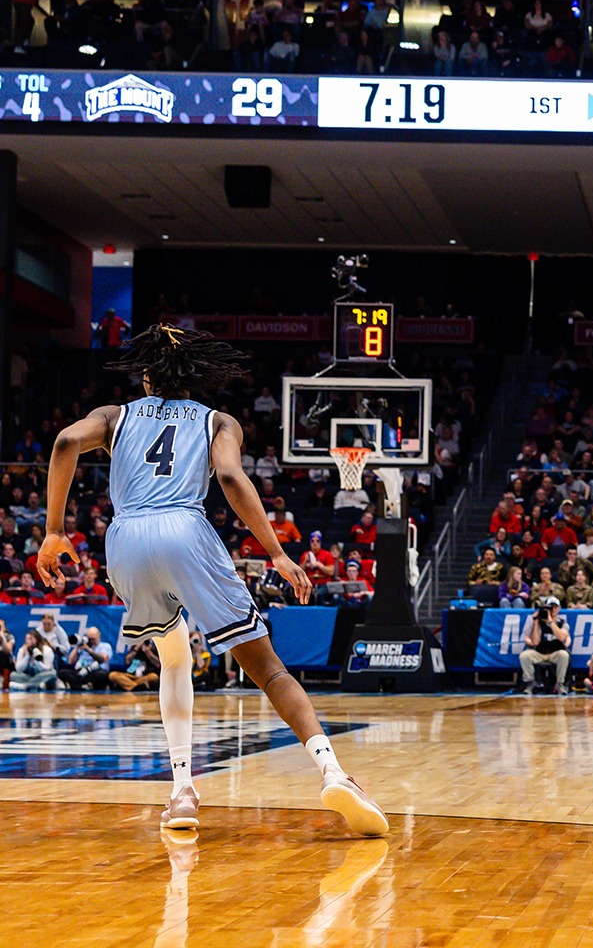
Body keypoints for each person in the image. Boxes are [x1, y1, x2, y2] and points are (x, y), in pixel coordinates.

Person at [37, 325, 386, 835]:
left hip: (126, 538)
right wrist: (278, 554)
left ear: (148, 376)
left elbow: (67, 440)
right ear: (196, 378)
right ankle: (334, 772)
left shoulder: (116, 415)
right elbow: (228, 478)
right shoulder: (218, 420)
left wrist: (52, 531)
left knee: (174, 657)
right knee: (267, 669)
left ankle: (182, 792)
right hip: (185, 527)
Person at [519, 596, 571, 693]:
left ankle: (560, 684)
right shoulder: (538, 622)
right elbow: (535, 642)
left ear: (559, 608)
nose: (553, 610)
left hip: (554, 653)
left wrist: (551, 622)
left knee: (564, 655)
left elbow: (562, 637)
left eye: (555, 607)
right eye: (551, 607)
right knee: (524, 656)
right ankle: (531, 682)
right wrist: (536, 623)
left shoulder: (563, 623)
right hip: (539, 652)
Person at [58, 626, 112, 690]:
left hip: (94, 671)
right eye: (89, 639)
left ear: (99, 637)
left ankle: (76, 685)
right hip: (79, 672)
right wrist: (77, 647)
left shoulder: (105, 646)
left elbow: (102, 659)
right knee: (62, 672)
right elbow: (70, 661)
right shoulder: (83, 646)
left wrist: (89, 650)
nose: (91, 641)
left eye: (93, 639)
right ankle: (83, 686)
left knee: (102, 675)